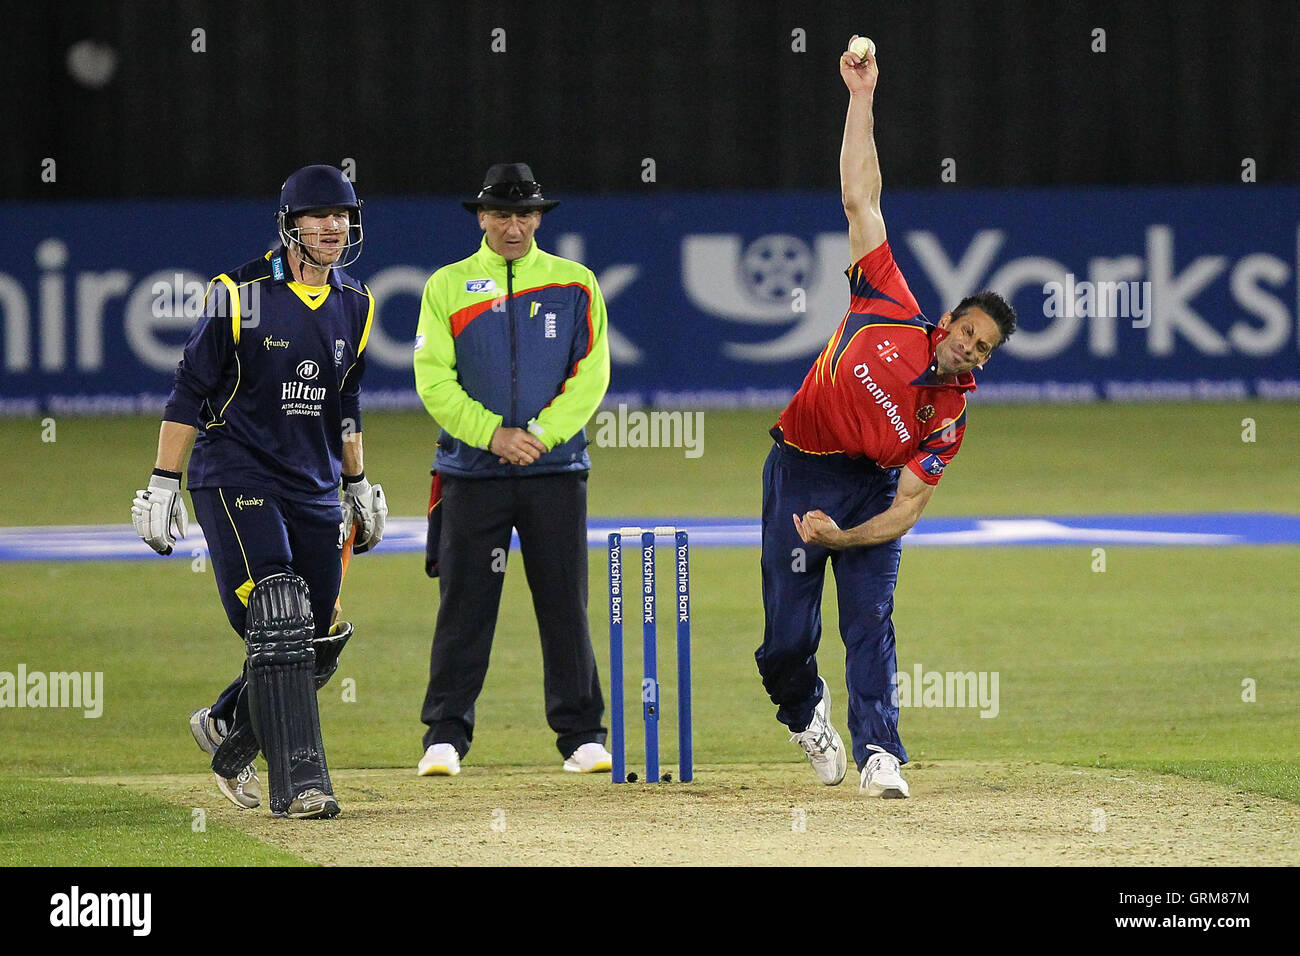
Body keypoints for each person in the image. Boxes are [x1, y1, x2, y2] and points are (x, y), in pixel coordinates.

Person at [755, 40, 1017, 798]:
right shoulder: (889, 302)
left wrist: (846, 538)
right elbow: (859, 198)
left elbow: (905, 510)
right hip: (800, 468)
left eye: (983, 349)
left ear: (985, 362)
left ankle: (881, 753)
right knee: (783, 644)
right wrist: (861, 96)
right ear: (947, 321)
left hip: (869, 496)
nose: (968, 349)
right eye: (966, 332)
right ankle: (807, 714)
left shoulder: (948, 421)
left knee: (869, 620)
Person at [131, 164, 387, 819]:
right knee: (279, 610)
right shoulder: (234, 293)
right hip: (235, 474)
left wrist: (357, 482)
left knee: (319, 637)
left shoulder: (355, 304)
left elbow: (346, 399)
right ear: (291, 224)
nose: (334, 226)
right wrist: (163, 482)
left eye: (344, 215)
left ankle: (228, 730)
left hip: (314, 486)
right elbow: (190, 388)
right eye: (320, 215)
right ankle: (302, 786)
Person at [413, 162, 612, 777]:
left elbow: (592, 375)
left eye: (525, 213)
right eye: (501, 213)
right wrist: (493, 436)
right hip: (472, 473)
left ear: (539, 219)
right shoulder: (447, 286)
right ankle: (445, 736)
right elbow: (433, 379)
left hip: (555, 471)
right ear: (481, 217)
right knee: (465, 605)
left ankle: (581, 736)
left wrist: (541, 437)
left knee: (563, 603)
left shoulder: (574, 283)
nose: (514, 225)